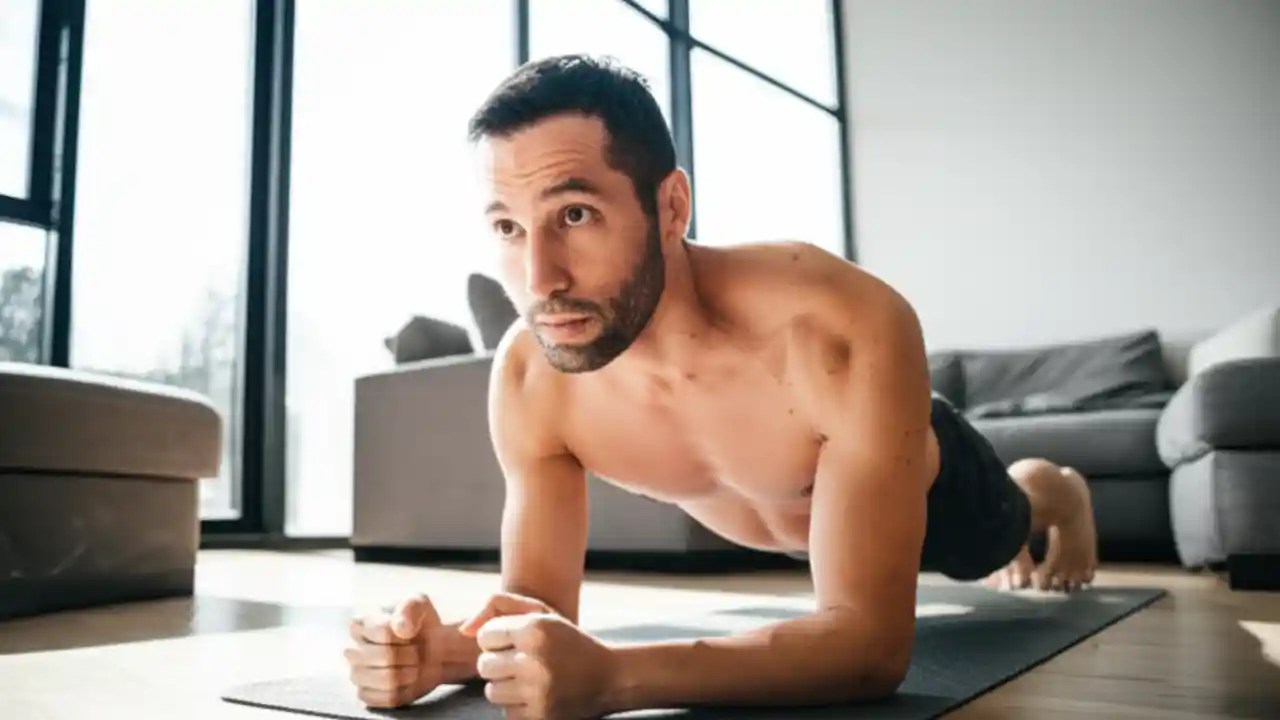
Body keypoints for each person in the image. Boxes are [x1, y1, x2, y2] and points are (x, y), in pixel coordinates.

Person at [343, 55, 1098, 718]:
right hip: (803, 523)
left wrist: (617, 677)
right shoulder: (529, 376)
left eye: (575, 214)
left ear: (671, 207)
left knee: (1005, 533)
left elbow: (869, 647)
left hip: (935, 490)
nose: (540, 280)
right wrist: (439, 655)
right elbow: (537, 611)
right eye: (508, 228)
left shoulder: (840, 329)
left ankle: (1058, 487)